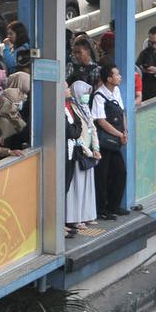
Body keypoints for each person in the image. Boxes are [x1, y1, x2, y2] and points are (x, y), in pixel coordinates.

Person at [91, 66, 129, 220]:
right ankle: (101, 209)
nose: (119, 76)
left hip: (116, 140)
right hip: (104, 142)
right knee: (102, 175)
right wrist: (119, 134)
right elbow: (100, 121)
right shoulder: (99, 96)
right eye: (116, 74)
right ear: (109, 78)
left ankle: (113, 206)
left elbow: (122, 112)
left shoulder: (116, 91)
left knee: (120, 172)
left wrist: (125, 131)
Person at [65, 81, 99, 235]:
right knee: (76, 189)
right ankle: (74, 218)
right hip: (79, 153)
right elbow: (74, 133)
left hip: (89, 152)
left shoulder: (85, 108)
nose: (86, 96)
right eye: (84, 93)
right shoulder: (72, 108)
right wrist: (88, 151)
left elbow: (92, 129)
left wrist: (96, 149)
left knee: (87, 187)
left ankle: (86, 215)